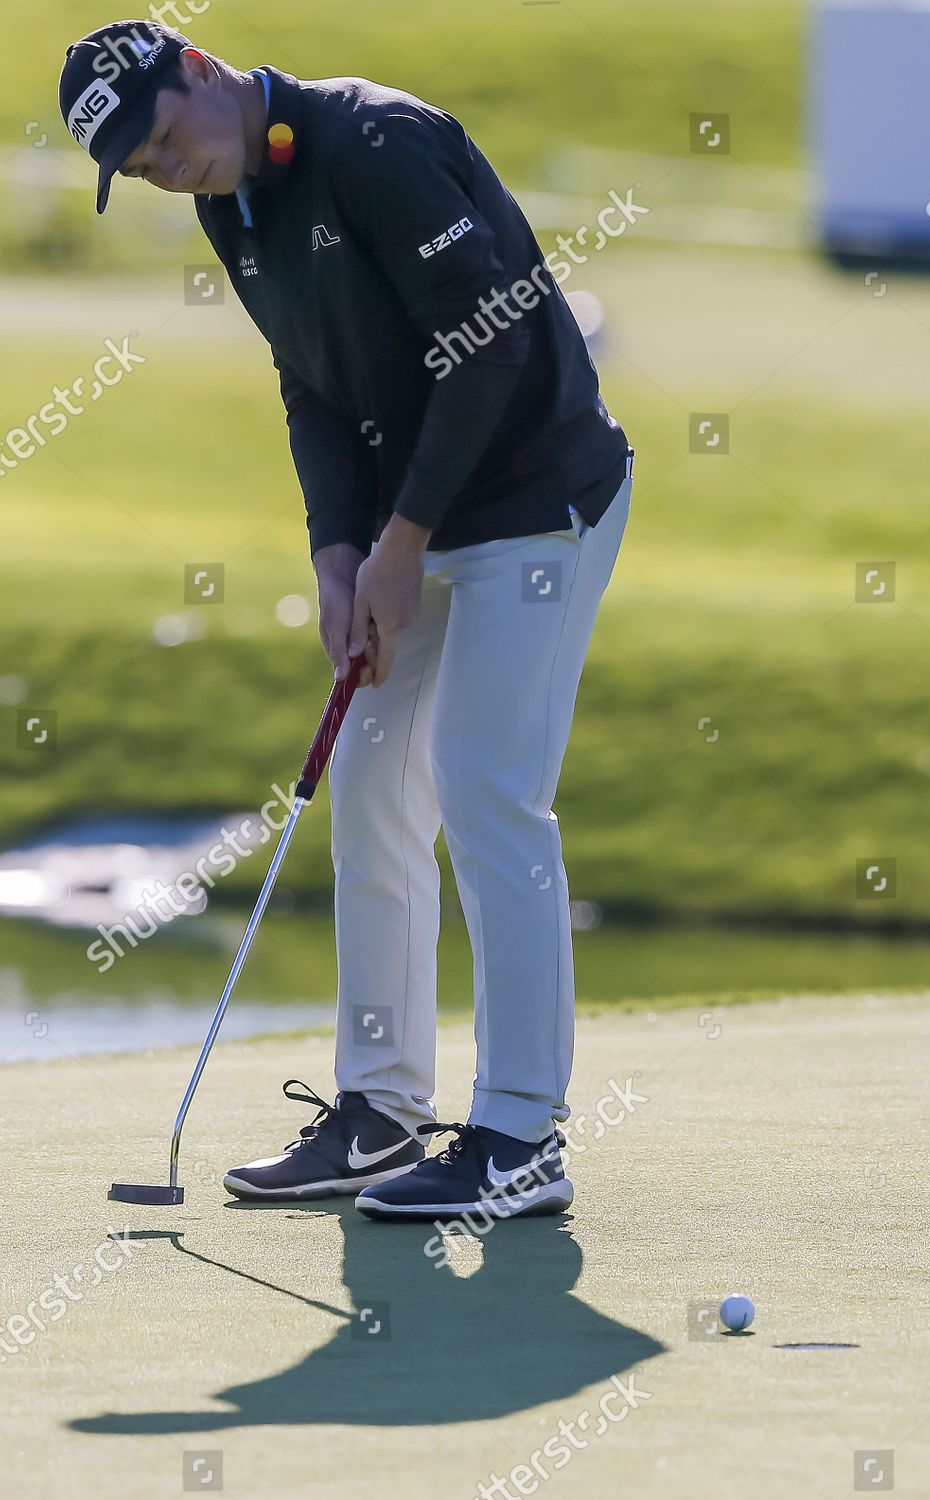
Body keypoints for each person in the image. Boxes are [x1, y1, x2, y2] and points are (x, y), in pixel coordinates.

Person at [59, 20, 634, 1220]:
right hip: (405, 527)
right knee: (372, 789)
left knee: (486, 785)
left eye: (163, 138)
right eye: (141, 169)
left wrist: (404, 540)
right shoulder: (234, 203)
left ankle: (522, 1135)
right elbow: (310, 382)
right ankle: (381, 1110)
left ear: (202, 72)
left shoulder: (373, 138)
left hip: (536, 500)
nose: (169, 171)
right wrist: (336, 556)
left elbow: (492, 348)